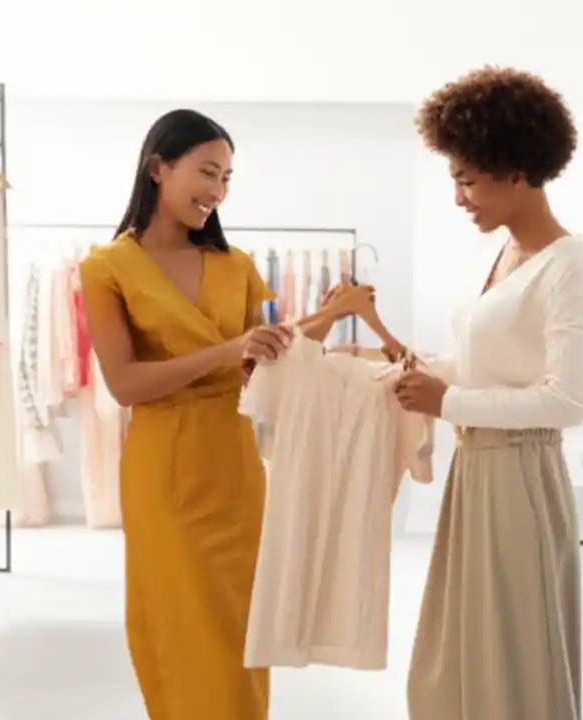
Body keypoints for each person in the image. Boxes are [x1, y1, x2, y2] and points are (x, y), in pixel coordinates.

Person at [80, 109, 371, 719]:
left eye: (228, 178)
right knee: (175, 625)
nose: (217, 191)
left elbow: (254, 370)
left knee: (241, 630)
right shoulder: (106, 267)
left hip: (235, 472)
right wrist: (229, 348)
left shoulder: (236, 265)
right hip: (163, 475)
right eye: (207, 172)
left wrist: (321, 337)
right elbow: (125, 384)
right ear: (158, 168)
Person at [391, 66, 583, 720]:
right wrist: (407, 370)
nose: (458, 196)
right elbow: (488, 364)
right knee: (461, 662)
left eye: (466, 178)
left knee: (510, 661)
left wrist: (444, 401)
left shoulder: (566, 265)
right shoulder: (507, 253)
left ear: (516, 171)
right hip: (479, 473)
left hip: (519, 475)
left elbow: (566, 400)